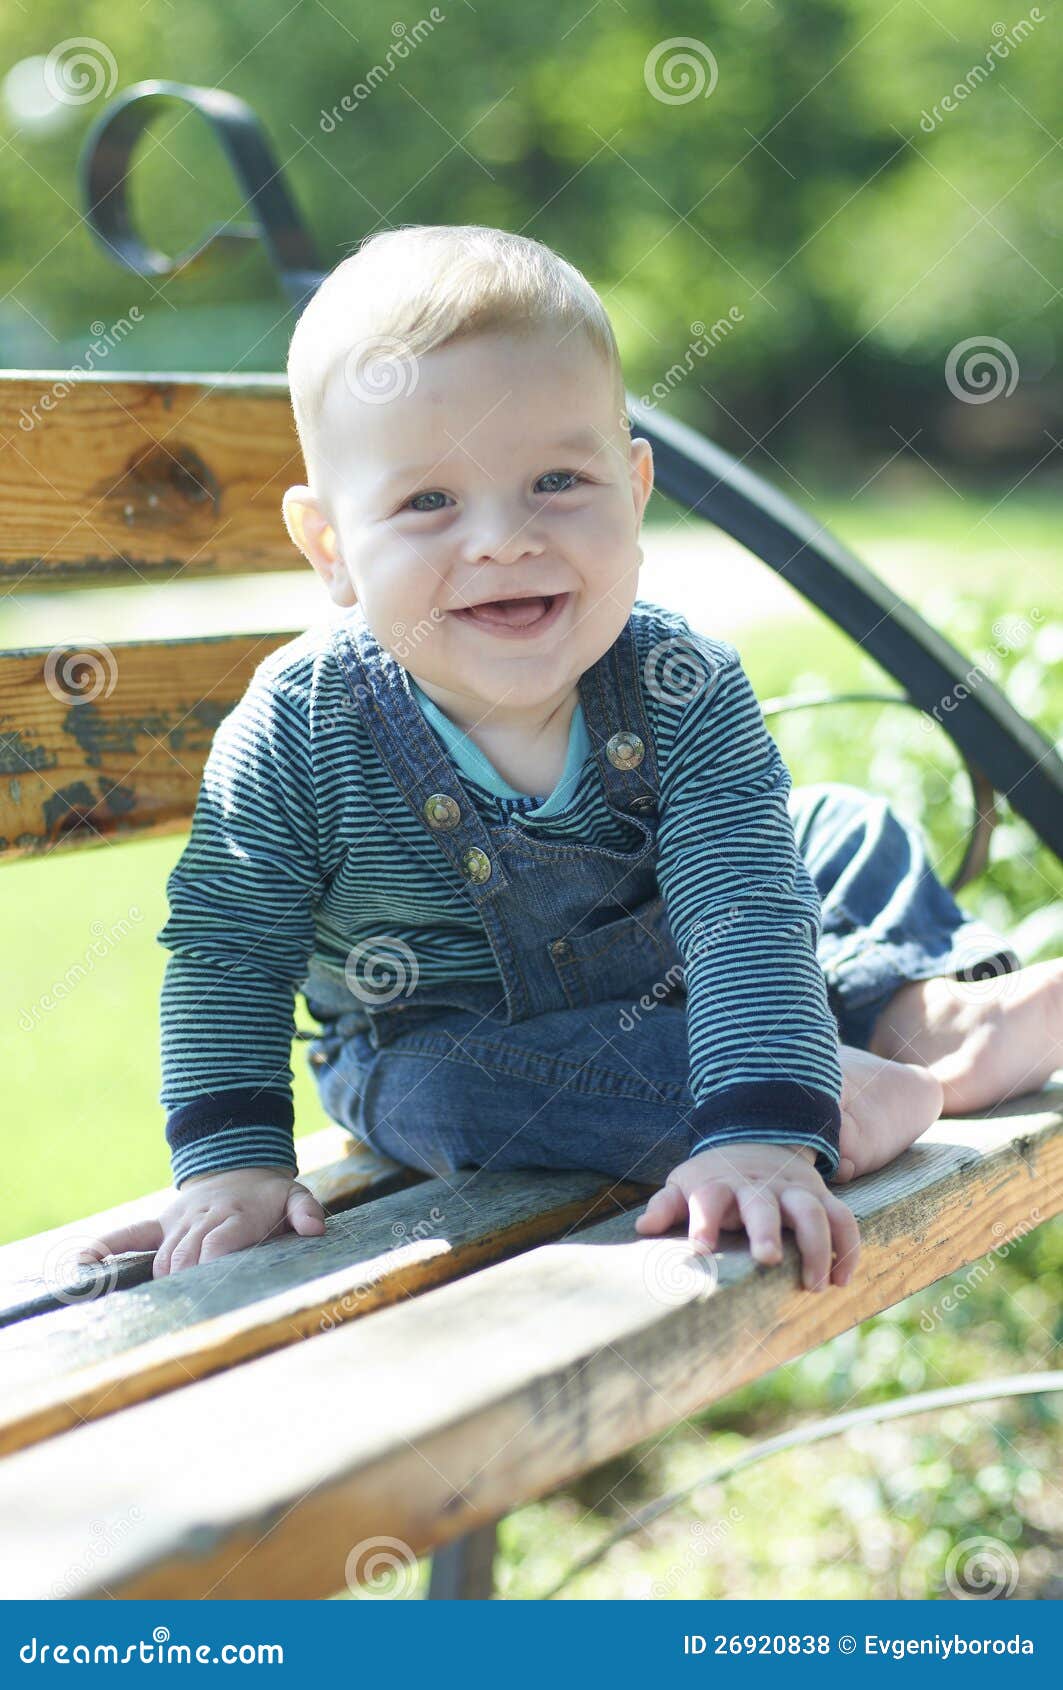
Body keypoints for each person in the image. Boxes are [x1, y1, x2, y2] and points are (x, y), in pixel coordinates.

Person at [79, 225, 1063, 1291]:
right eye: (427, 502)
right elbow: (229, 951)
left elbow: (742, 911)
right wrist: (231, 1164)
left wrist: (760, 1129)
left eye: (557, 480)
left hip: (688, 976)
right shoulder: (297, 730)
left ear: (634, 492)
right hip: (453, 1033)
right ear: (331, 549)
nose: (502, 539)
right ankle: (830, 1075)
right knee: (437, 1091)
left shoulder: (680, 679)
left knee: (832, 827)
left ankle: (902, 1021)